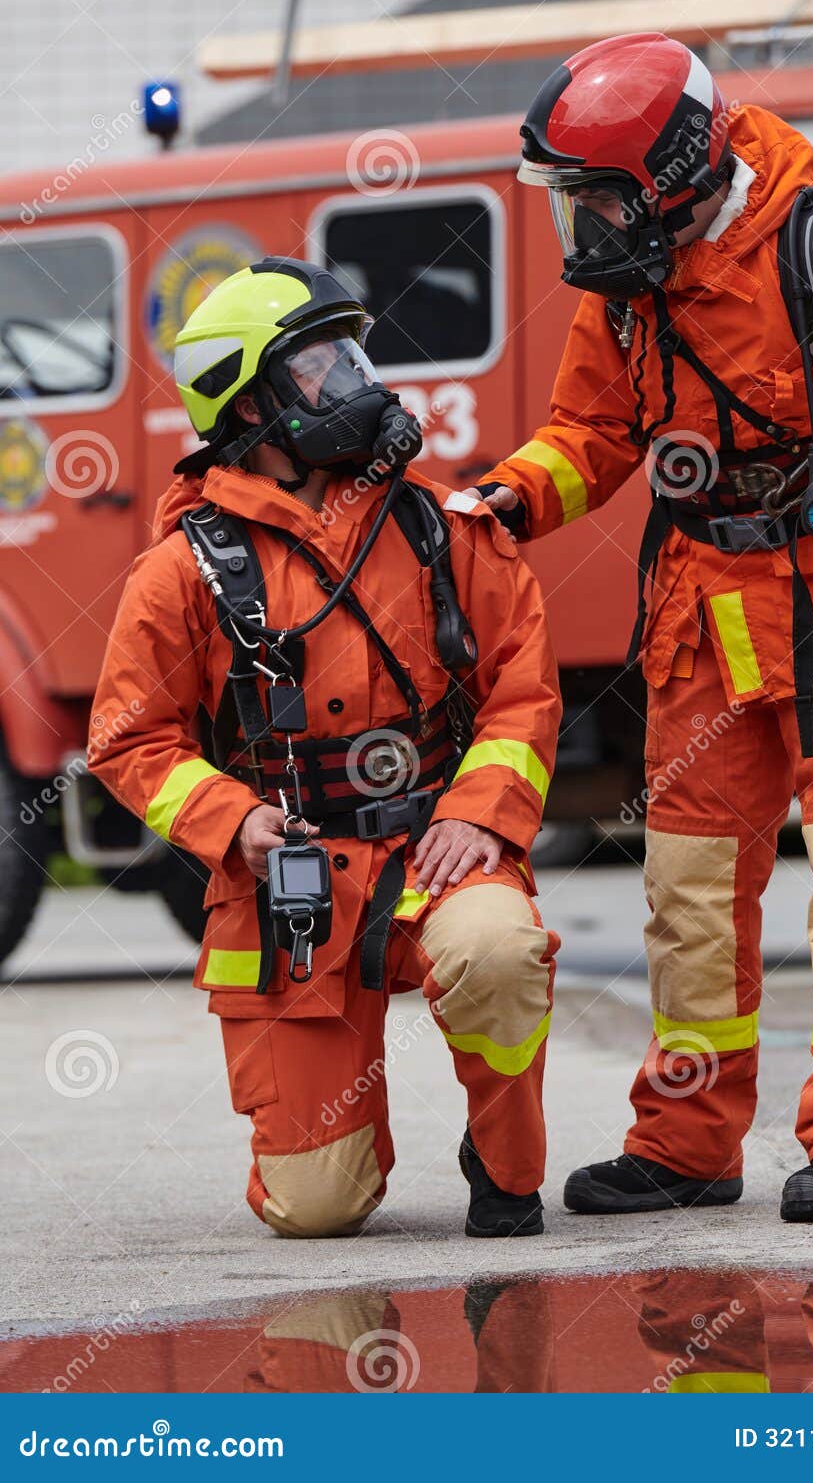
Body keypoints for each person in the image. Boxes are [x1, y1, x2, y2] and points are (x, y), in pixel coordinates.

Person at [468, 33, 813, 1223]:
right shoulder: (631, 292)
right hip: (702, 617)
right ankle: (688, 1142)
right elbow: (591, 435)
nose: (585, 227)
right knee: (687, 894)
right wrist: (508, 497)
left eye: (597, 199)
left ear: (671, 176)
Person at [89, 257, 561, 1239]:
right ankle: (329, 1153)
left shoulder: (440, 525)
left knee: (497, 946)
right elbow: (130, 739)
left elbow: (522, 684)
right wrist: (233, 819)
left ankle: (506, 1164)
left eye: (350, 355)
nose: (358, 382)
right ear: (251, 405)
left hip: (434, 852)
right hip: (290, 894)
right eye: (320, 366)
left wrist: (479, 812)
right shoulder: (180, 573)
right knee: (316, 1208)